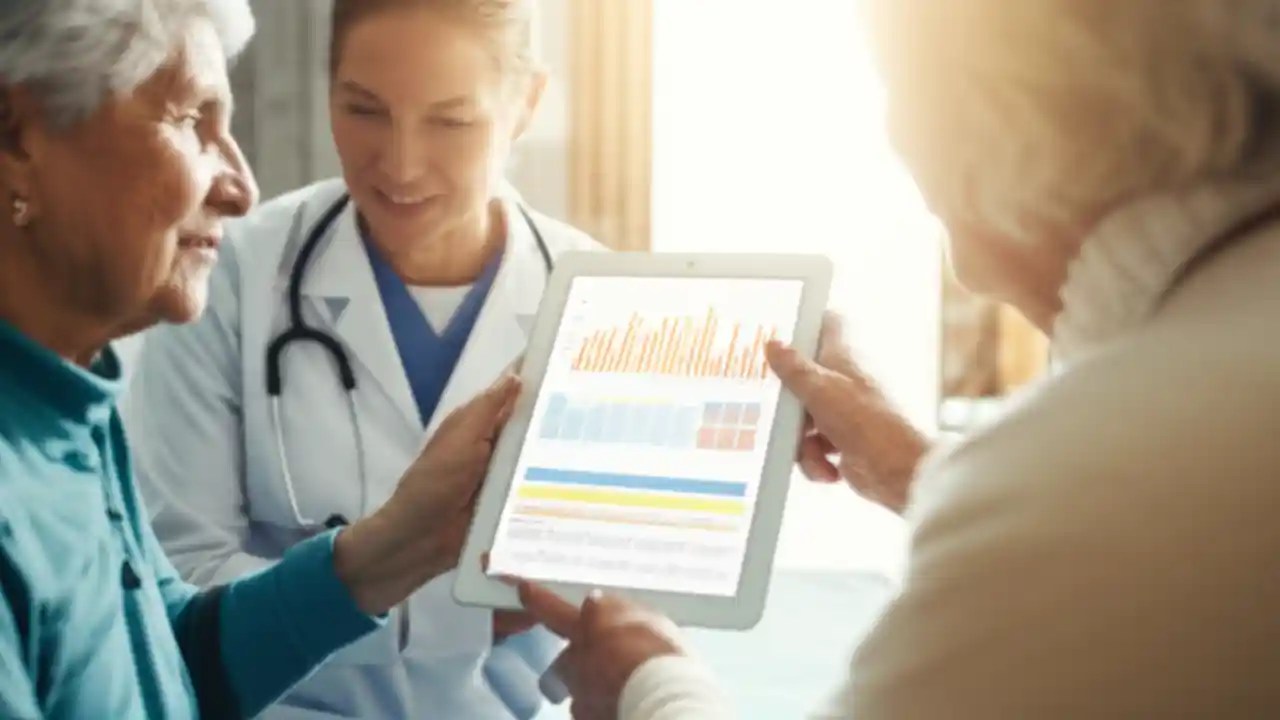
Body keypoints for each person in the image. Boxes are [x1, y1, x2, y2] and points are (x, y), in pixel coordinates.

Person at [511, 1, 1280, 717]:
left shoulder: (1091, 473)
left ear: (984, 146)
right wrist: (917, 468)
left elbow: (1101, 528)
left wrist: (648, 683)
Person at [0, 1, 527, 718]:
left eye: (451, 119)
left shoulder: (76, 414)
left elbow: (167, 652)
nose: (241, 187)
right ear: (18, 137)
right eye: (190, 119)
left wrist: (399, 541)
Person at [121, 0, 603, 717]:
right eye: (365, 110)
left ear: (525, 103)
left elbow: (606, 601)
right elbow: (182, 583)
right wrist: (460, 616)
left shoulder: (595, 297)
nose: (400, 164)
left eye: (450, 120)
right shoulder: (232, 272)